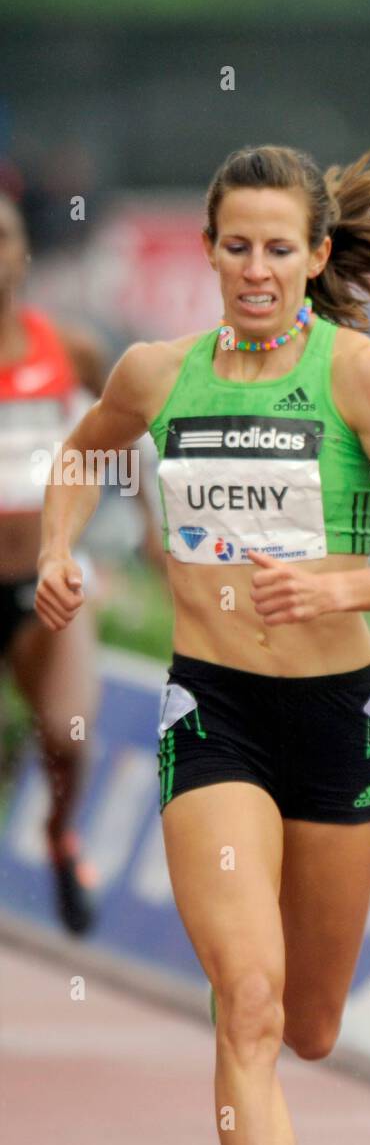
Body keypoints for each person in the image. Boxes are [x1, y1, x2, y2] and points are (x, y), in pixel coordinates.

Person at [36, 145, 370, 1145]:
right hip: (213, 711)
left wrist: (338, 579)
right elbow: (82, 454)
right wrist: (56, 554)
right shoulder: (154, 371)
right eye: (238, 246)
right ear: (210, 251)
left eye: (282, 248)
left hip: (333, 718)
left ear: (318, 255)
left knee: (313, 1022)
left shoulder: (359, 375)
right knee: (252, 1000)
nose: (258, 268)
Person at [0, 192, 163, 934]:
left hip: (46, 580)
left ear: (21, 255)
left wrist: (149, 527)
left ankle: (60, 835)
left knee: (67, 734)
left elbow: (124, 430)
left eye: (1, 238)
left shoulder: (70, 349)